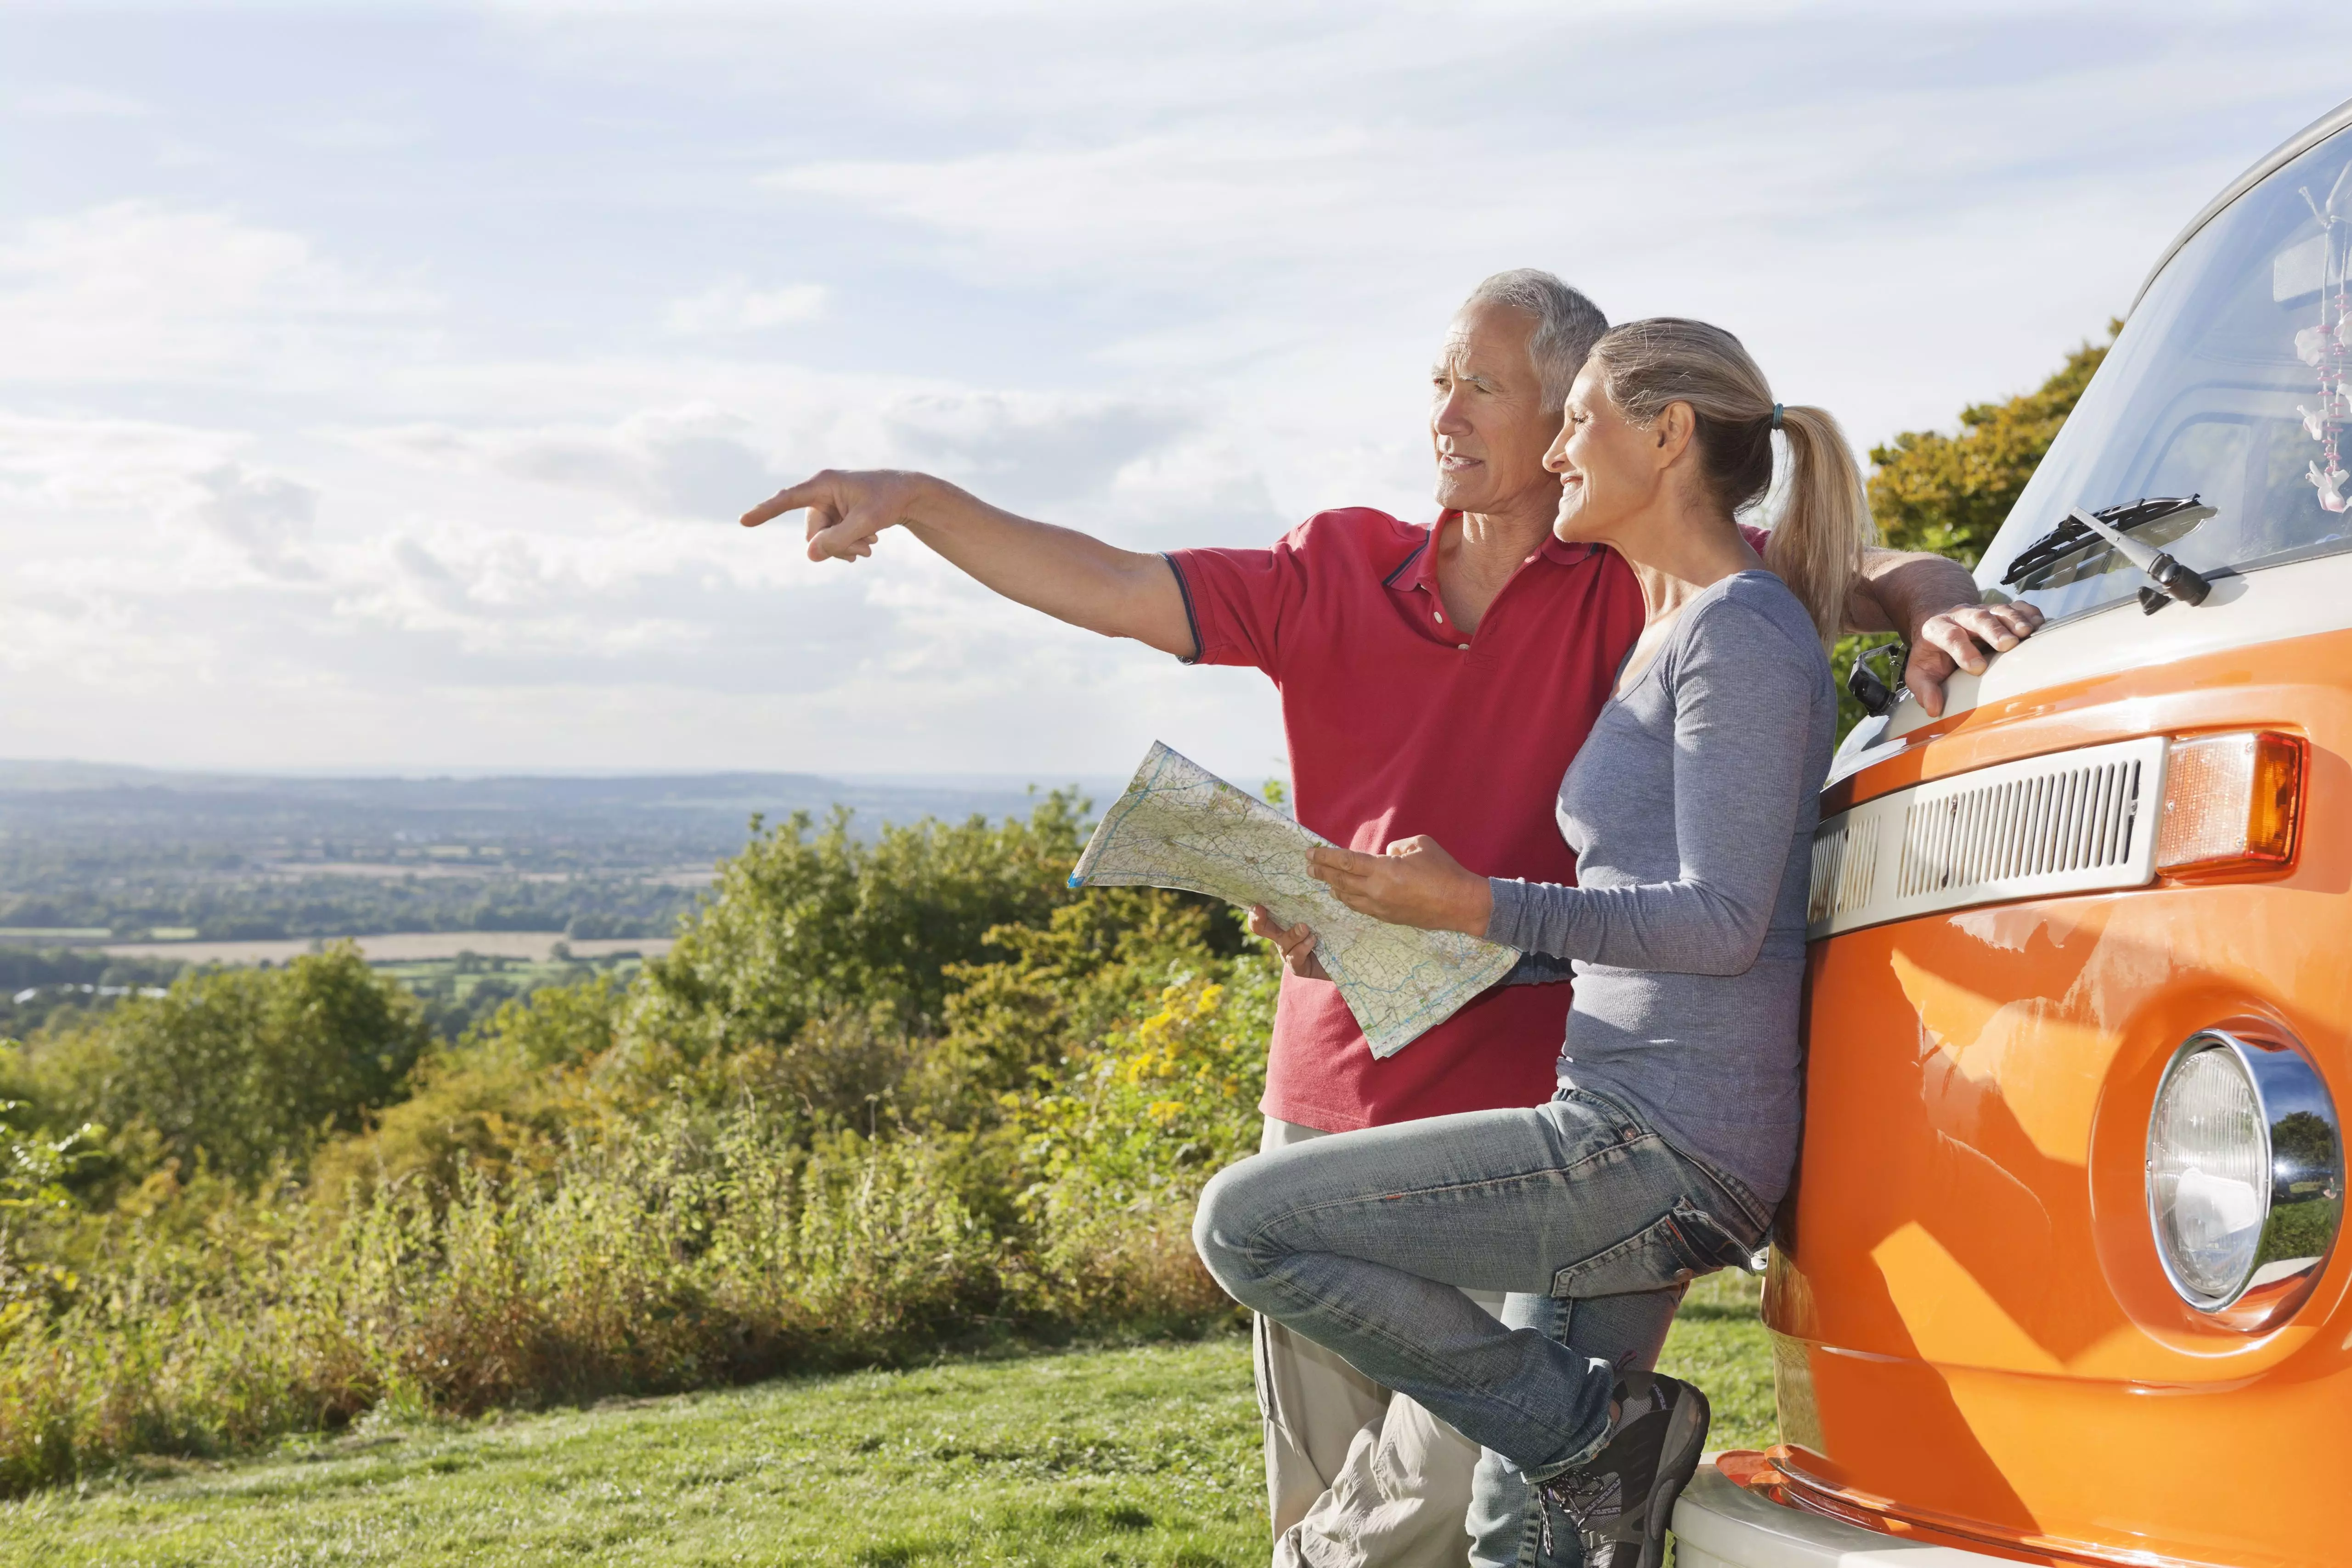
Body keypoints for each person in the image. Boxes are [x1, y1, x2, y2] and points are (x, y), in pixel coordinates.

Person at [739, 273, 2038, 1568]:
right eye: (1439, 381)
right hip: (1338, 1094)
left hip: (1552, 1122)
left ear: (1581, 423)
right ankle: (1597, 1441)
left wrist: (1936, 601)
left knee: (1444, 1516)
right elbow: (1118, 581)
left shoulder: (1638, 590)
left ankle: (1606, 1436)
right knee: (1369, 1523)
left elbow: (1829, 573)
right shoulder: (1343, 569)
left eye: (1487, 386)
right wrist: (917, 502)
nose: (1445, 414)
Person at [1192, 317, 1854, 1568]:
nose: (1553, 452)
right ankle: (1597, 1442)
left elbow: (1719, 924)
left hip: (1658, 1147)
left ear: (1665, 437)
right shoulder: (1673, 632)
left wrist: (1482, 903)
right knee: (1523, 1524)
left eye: (1578, 418)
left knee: (1247, 1222)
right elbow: (1631, 928)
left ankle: (1602, 1431)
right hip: (1619, 1116)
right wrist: (1396, 935)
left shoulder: (1743, 635)